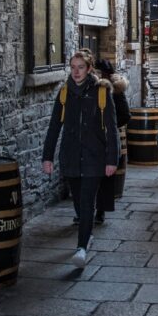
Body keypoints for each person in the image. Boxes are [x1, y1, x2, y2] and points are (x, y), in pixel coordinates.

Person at [42, 51, 119, 267]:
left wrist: (112, 159)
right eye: (73, 67)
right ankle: (87, 234)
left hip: (95, 158)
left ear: (89, 69)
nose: (76, 72)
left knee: (87, 203)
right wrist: (47, 157)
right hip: (71, 156)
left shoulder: (101, 92)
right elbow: (54, 127)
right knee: (78, 202)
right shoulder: (65, 93)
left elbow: (111, 129)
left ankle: (81, 247)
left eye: (81, 67)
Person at [94, 59, 130, 224]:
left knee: (105, 179)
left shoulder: (115, 91)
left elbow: (125, 115)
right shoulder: (90, 89)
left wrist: (111, 125)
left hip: (108, 139)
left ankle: (100, 211)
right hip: (91, 138)